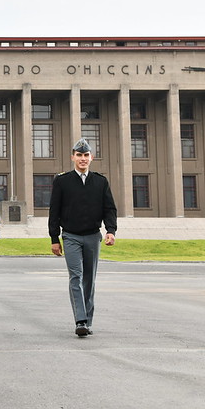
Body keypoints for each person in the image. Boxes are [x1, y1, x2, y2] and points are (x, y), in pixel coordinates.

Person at [49, 138, 117, 337]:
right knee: (76, 277)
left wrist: (111, 231)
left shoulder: (100, 181)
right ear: (73, 157)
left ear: (91, 158)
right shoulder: (62, 181)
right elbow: (54, 211)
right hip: (71, 236)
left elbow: (109, 209)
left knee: (89, 279)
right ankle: (80, 320)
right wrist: (54, 238)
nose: (83, 159)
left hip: (92, 237)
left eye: (86, 155)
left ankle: (87, 320)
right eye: (79, 155)